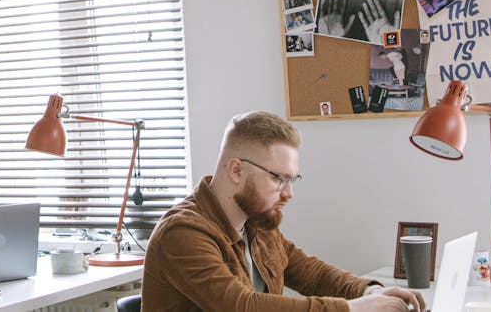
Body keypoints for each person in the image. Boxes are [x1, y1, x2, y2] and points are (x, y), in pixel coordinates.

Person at [142, 111, 425, 311]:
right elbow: (240, 306)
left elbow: (313, 275)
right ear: (237, 170)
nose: (289, 193)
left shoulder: (257, 223)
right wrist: (355, 309)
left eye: (292, 179)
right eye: (279, 178)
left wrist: (369, 291)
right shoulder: (182, 233)